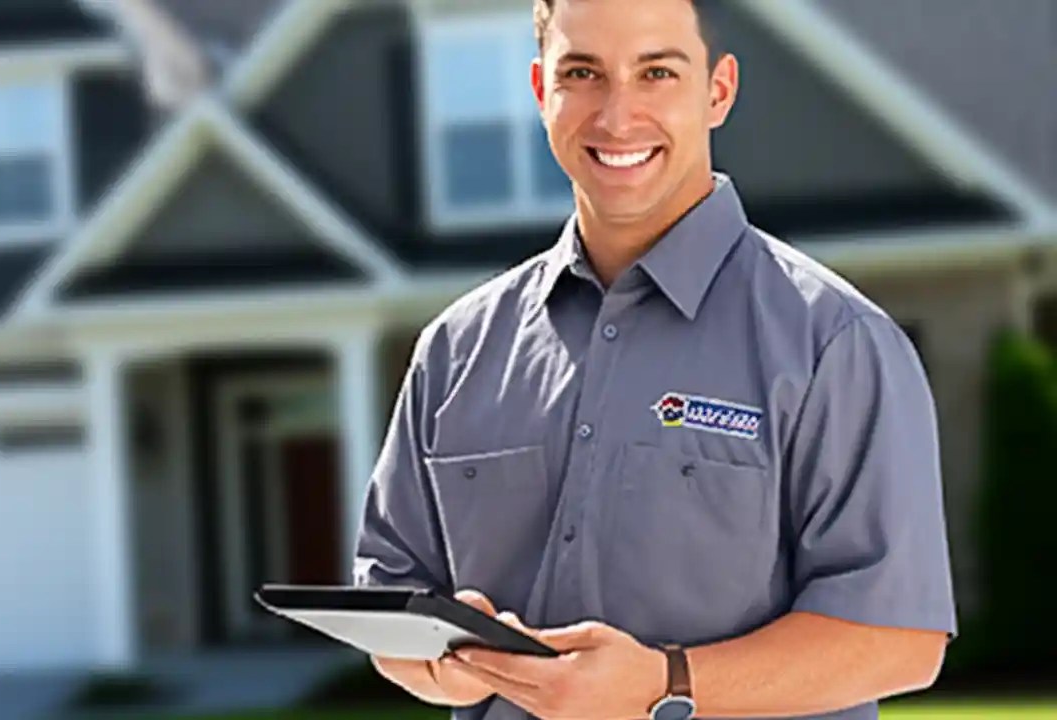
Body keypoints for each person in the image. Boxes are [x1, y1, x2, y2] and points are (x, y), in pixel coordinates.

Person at [352, 0, 957, 718]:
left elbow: (900, 640)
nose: (616, 116)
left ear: (718, 91)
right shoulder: (457, 351)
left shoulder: (836, 345)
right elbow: (391, 603)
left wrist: (665, 682)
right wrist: (441, 668)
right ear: (542, 91)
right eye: (583, 73)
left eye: (656, 73)